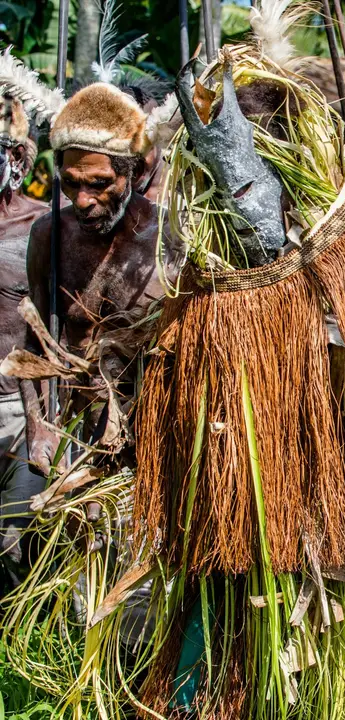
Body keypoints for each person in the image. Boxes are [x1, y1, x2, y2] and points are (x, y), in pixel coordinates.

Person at [20, 82, 181, 476]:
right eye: (71, 182)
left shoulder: (171, 239)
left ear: (131, 173)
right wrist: (39, 426)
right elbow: (34, 340)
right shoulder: (50, 235)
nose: (82, 200)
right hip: (78, 436)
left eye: (99, 184)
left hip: (156, 440)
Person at [0, 94, 49, 586]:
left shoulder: (44, 225)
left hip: (21, 404)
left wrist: (41, 420)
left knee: (15, 539)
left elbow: (57, 331)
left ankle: (22, 645)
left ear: (15, 158)